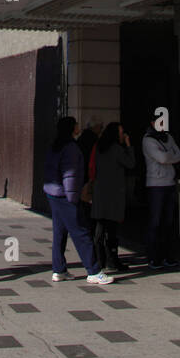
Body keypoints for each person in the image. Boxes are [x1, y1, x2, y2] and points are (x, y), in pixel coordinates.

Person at [43, 116, 114, 286]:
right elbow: (70, 176)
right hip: (66, 196)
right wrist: (74, 198)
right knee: (81, 232)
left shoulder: (56, 146)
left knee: (59, 232)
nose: (78, 126)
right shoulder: (71, 148)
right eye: (76, 124)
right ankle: (94, 271)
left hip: (53, 193)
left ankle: (58, 269)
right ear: (71, 128)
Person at [90, 122, 135, 273]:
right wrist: (129, 146)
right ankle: (112, 260)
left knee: (100, 229)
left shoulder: (99, 148)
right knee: (112, 231)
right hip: (113, 195)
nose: (123, 135)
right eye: (121, 133)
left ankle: (99, 260)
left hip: (100, 194)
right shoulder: (117, 149)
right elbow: (131, 163)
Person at [142, 114, 180, 269]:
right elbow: (164, 158)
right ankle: (154, 257)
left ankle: (168, 255)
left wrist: (168, 156)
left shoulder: (168, 137)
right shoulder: (148, 140)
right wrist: (169, 156)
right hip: (155, 185)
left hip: (169, 183)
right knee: (156, 222)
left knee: (168, 222)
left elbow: (177, 155)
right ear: (152, 123)